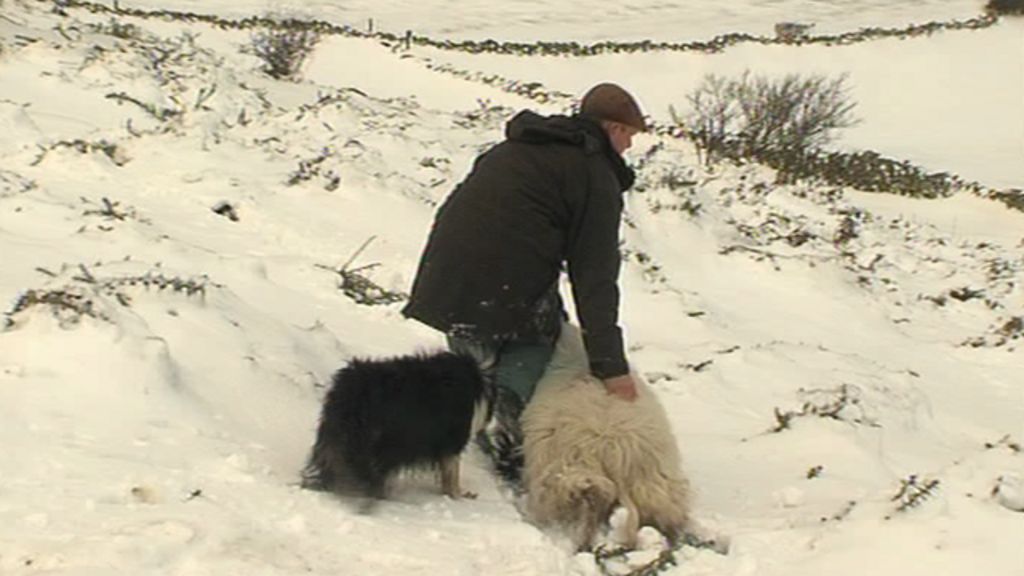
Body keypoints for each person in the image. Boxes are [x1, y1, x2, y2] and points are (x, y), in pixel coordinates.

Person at [402, 83, 646, 484]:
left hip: (448, 277)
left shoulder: (517, 148)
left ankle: (474, 410)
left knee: (475, 361)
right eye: (628, 135)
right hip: (505, 284)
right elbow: (595, 276)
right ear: (612, 129)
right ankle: (509, 429)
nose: (629, 147)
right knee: (535, 342)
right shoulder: (593, 175)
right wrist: (611, 367)